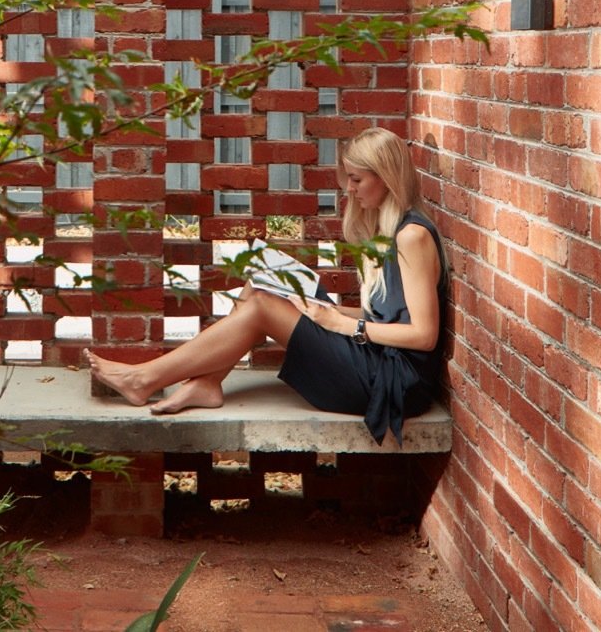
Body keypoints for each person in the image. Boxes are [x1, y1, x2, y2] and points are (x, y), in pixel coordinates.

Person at [86, 127, 449, 445]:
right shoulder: (390, 228)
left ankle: (144, 379)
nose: (349, 190)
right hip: (376, 354)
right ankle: (208, 382)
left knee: (262, 304)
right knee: (265, 280)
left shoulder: (412, 237)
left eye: (357, 180)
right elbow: (386, 315)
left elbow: (423, 336)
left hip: (394, 383)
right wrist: (330, 311)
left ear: (385, 177)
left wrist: (344, 325)